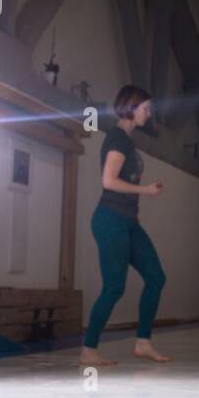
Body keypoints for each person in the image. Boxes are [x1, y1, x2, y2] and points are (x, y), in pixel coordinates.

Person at [81, 85, 169, 366]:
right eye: (146, 108)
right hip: (110, 220)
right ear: (131, 107)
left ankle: (143, 343)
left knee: (156, 277)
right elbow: (108, 181)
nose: (149, 113)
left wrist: (136, 209)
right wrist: (146, 190)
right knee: (114, 287)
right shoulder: (118, 138)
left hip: (127, 221)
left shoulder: (127, 141)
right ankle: (88, 350)